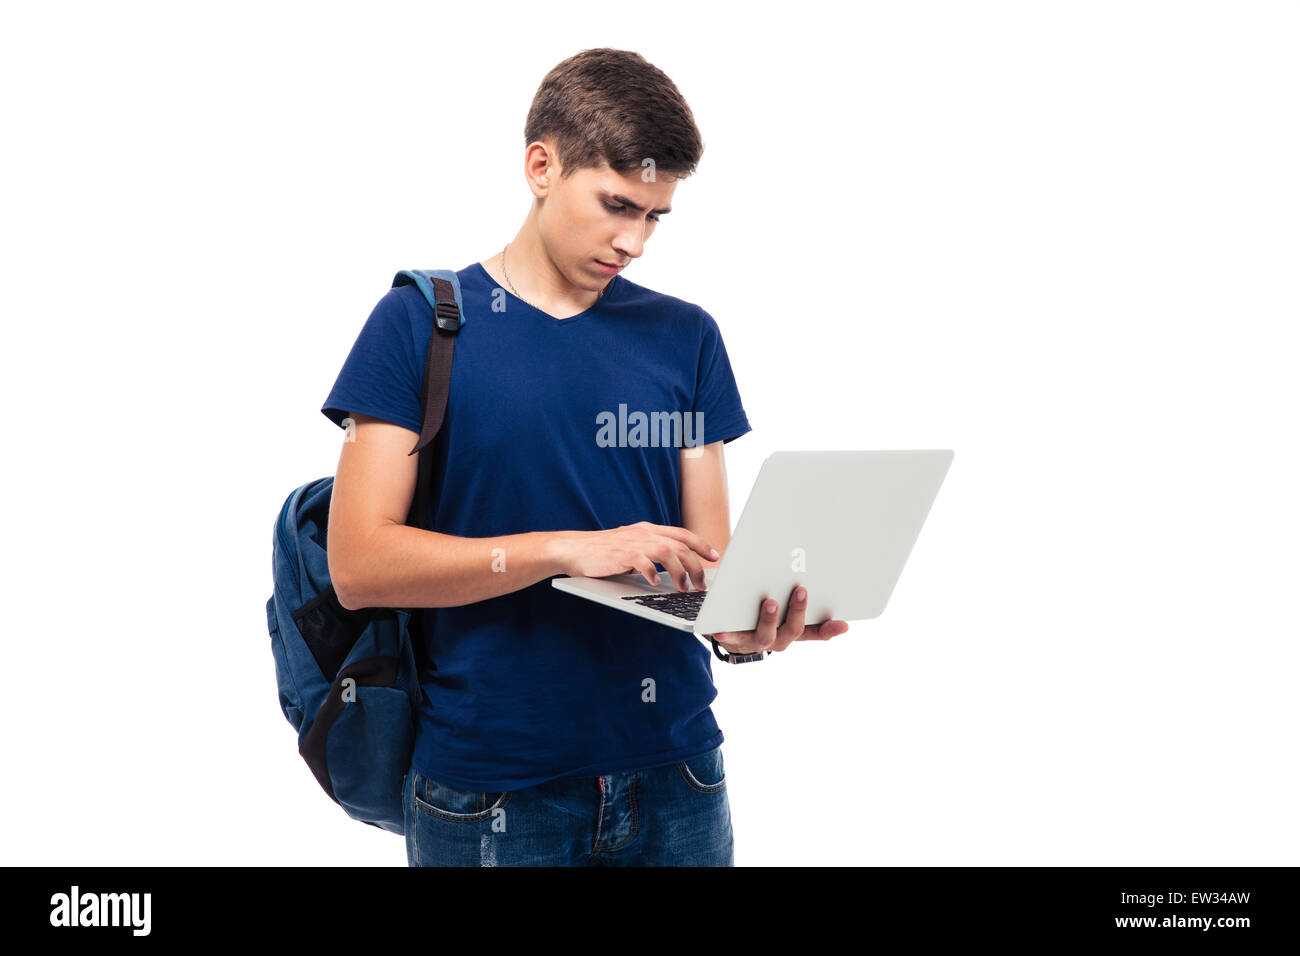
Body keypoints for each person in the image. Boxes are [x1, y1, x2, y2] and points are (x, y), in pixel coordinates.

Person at [320, 47, 849, 867]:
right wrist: (569, 549)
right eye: (616, 206)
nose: (634, 241)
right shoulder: (419, 325)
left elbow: (706, 561)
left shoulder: (687, 338)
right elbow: (359, 563)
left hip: (679, 778)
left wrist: (750, 628)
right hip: (491, 791)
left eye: (654, 216)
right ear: (542, 166)